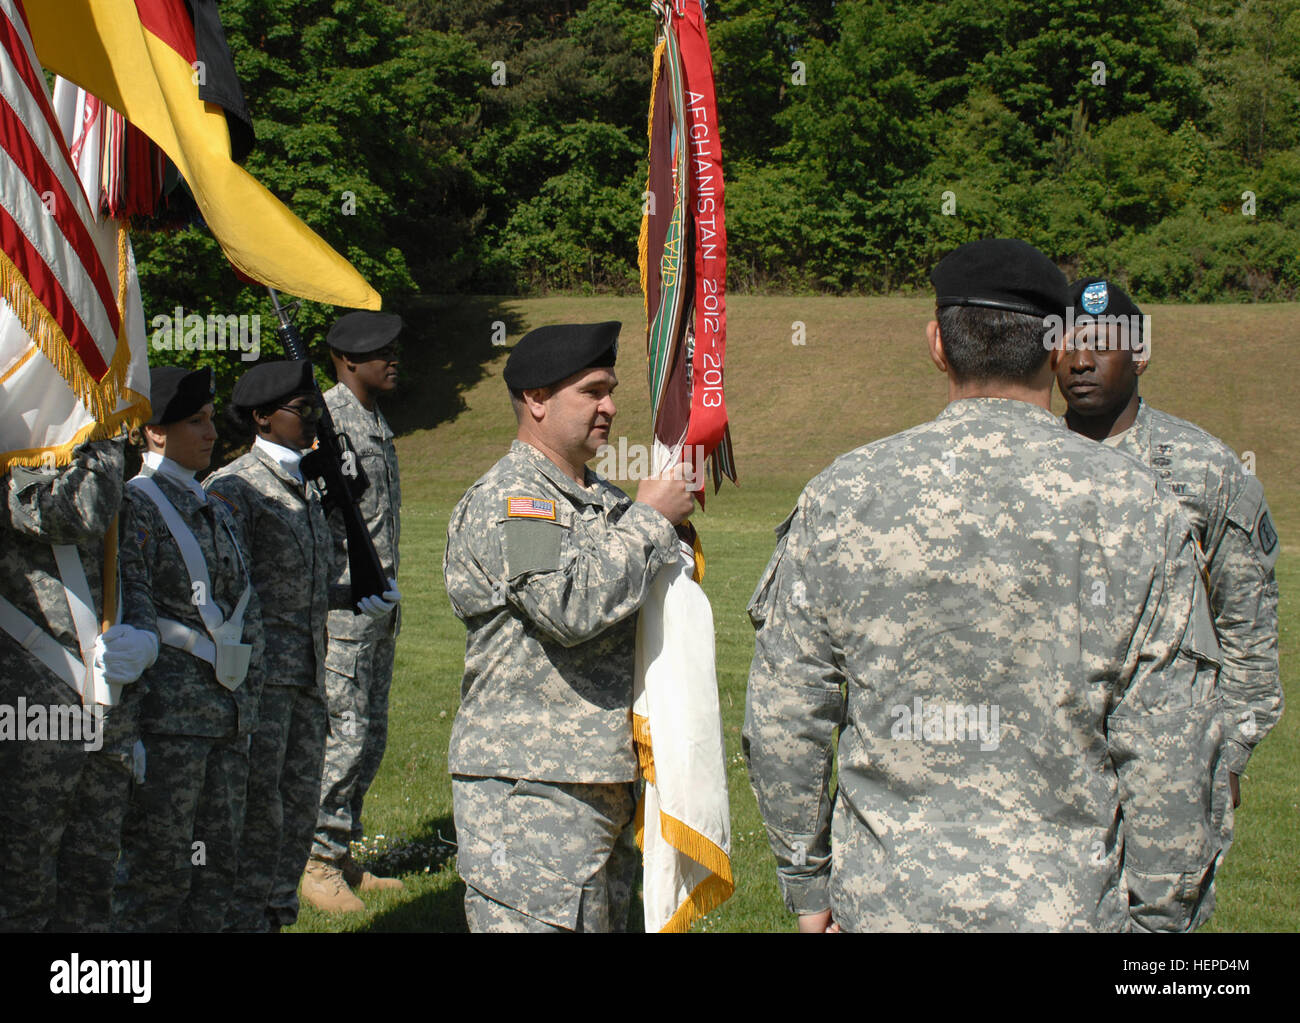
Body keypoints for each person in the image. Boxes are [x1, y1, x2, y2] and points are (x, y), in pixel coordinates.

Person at [744, 239, 1226, 933]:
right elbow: (1174, 747)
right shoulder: (1138, 507)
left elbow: (787, 718)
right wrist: (1160, 920)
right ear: (1055, 347)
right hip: (1070, 910)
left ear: (938, 344)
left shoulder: (844, 496)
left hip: (885, 906)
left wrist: (807, 885)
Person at [442, 321, 694, 932]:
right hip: (531, 791)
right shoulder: (515, 498)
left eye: (610, 389)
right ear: (536, 400)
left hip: (601, 781)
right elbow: (569, 606)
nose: (610, 406)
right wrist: (651, 520)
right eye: (591, 391)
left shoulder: (602, 499)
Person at [1055, 277, 1282, 817]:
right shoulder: (1028, 463)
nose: (1080, 361)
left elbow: (1248, 624)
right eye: (1066, 344)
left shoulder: (1205, 468)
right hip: (1053, 759)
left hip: (1170, 759)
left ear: (1140, 355)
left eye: (1101, 344)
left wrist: (1229, 756)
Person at [207, 360, 399, 932]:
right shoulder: (236, 488)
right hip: (260, 685)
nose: (314, 420)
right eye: (301, 410)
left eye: (315, 408)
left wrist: (350, 595)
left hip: (307, 679)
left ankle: (276, 918)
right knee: (255, 820)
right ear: (262, 418)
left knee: (293, 819)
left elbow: (302, 582)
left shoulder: (304, 484)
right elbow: (225, 593)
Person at [113, 366, 265, 931]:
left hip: (225, 718)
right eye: (194, 422)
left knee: (215, 870)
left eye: (209, 420)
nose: (210, 433)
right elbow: (136, 610)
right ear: (153, 432)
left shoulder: (215, 505)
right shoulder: (137, 506)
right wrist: (131, 730)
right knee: (158, 876)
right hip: (169, 723)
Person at [0, 436, 154, 931]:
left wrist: (144, 637)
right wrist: (107, 446)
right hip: (34, 712)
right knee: (23, 888)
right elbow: (73, 513)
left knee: (92, 885)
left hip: (107, 708)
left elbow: (130, 563)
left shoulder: (97, 469)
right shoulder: (14, 464)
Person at [303, 312, 405, 912]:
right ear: (346, 361)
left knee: (372, 734)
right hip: (344, 607)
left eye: (394, 350)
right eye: (379, 353)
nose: (393, 360)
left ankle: (341, 850)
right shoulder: (328, 424)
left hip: (379, 605)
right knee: (344, 734)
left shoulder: (372, 419)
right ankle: (316, 861)